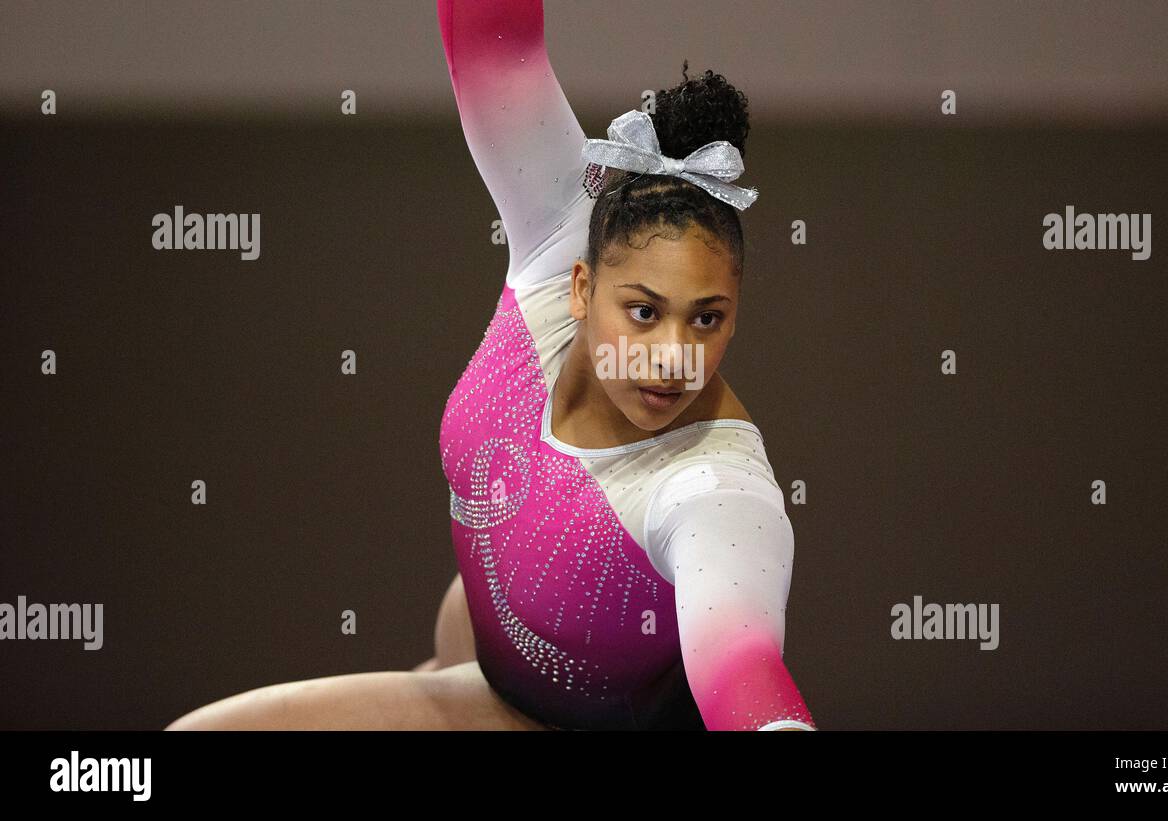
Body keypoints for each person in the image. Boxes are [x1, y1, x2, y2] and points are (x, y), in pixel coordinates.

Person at [165, 0, 815, 731]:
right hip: (482, 646)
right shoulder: (568, 226)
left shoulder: (716, 492)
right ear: (581, 286)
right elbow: (494, 45)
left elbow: (743, 668)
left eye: (707, 318)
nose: (673, 356)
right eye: (643, 311)